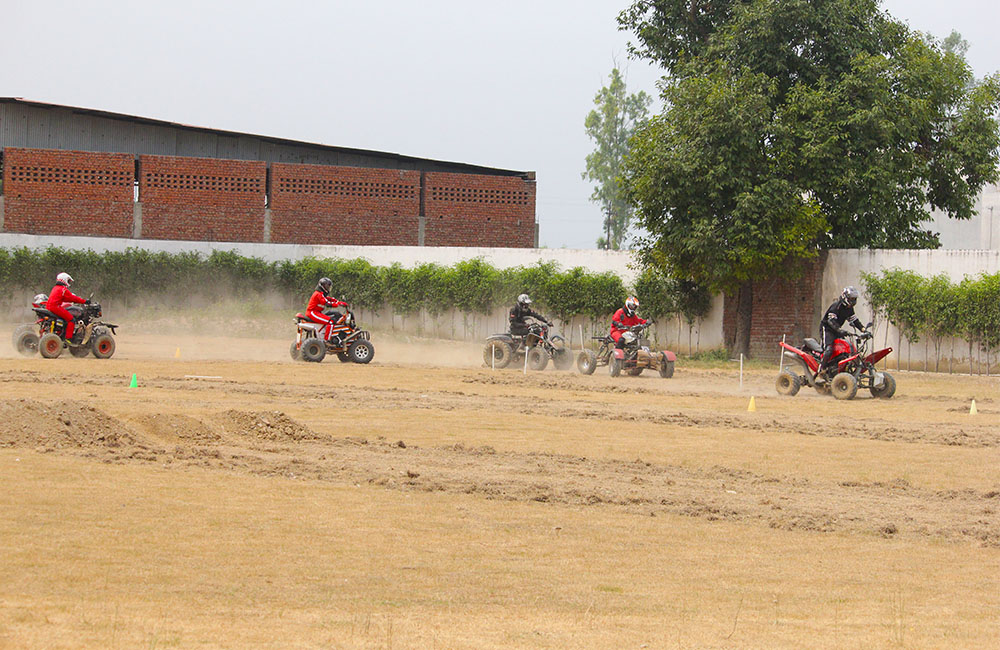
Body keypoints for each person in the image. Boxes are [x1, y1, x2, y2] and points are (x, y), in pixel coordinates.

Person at [816, 285, 867, 381]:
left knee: (844, 348)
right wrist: (839, 330)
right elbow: (830, 321)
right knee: (829, 349)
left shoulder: (849, 309)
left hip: (837, 329)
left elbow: (855, 321)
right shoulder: (836, 306)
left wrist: (864, 330)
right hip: (827, 329)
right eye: (851, 298)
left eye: (854, 299)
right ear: (845, 297)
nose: (853, 301)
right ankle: (821, 370)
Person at [45, 272, 86, 343]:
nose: (69, 283)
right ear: (64, 280)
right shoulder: (63, 289)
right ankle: (68, 339)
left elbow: (66, 299)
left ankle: (61, 333)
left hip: (49, 307)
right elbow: (73, 298)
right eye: (69, 281)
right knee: (71, 320)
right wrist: (84, 301)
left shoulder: (56, 288)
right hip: (56, 307)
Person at [306, 277, 348, 341]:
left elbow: (328, 299)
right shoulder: (318, 294)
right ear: (322, 286)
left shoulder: (321, 294)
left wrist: (338, 301)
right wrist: (338, 304)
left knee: (331, 317)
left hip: (316, 312)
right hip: (313, 313)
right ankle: (327, 341)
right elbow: (327, 303)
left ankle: (326, 336)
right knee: (330, 322)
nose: (328, 288)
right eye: (327, 286)